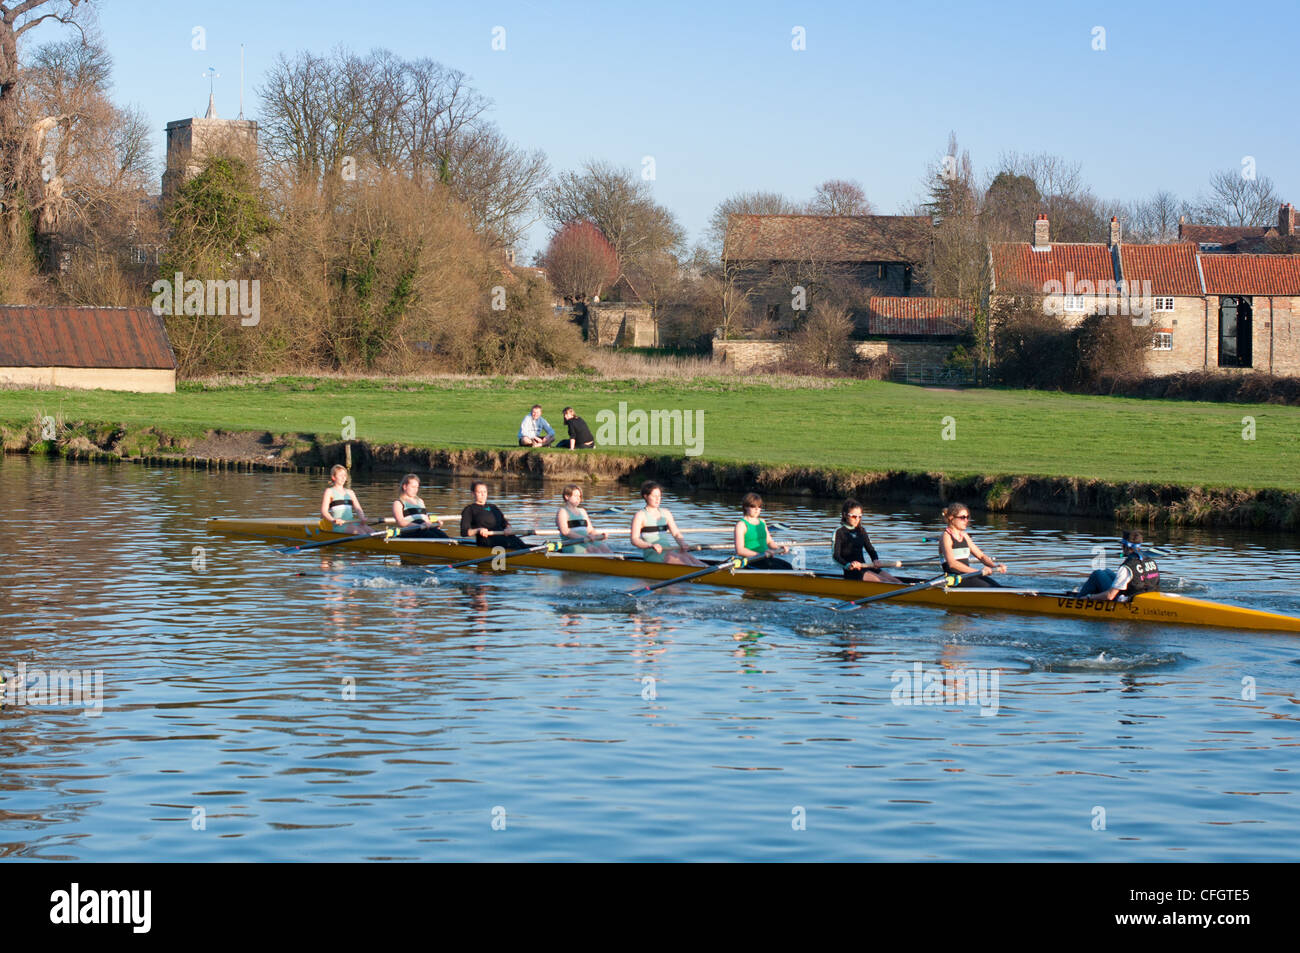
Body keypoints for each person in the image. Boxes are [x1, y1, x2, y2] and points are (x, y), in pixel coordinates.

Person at [630, 481, 706, 566]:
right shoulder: (640, 515)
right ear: (646, 496)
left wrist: (682, 543)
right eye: (654, 496)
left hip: (668, 550)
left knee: (688, 557)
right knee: (687, 562)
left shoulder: (666, 513)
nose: (657, 499)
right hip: (654, 553)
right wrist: (650, 545)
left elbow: (676, 533)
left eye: (659, 496)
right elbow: (634, 539)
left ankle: (710, 570)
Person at [833, 499, 903, 583]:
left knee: (897, 582)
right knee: (884, 581)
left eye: (859, 516)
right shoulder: (839, 532)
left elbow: (870, 549)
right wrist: (848, 565)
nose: (857, 519)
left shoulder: (862, 531)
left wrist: (875, 560)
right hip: (852, 571)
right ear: (845, 515)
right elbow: (836, 556)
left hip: (864, 566)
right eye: (853, 516)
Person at [1076, 532, 1160, 601]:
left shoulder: (1127, 567)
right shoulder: (1150, 560)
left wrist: (1089, 598)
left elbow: (1110, 596)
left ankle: (1079, 599)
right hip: (1147, 593)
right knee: (1105, 571)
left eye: (1122, 546)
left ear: (1125, 547)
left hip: (1127, 598)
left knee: (1097, 574)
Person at [938, 502, 1006, 587]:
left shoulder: (965, 536)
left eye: (967, 517)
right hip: (954, 579)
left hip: (968, 576)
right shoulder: (946, 537)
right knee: (990, 587)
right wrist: (978, 572)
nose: (966, 520)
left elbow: (981, 556)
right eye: (962, 518)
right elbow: (952, 564)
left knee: (997, 587)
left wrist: (994, 566)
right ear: (952, 518)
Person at [459, 482, 529, 550]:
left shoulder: (493, 507)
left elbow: (505, 523)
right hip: (488, 541)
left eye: (485, 492)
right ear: (473, 494)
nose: (483, 494)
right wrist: (478, 530)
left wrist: (508, 528)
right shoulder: (469, 509)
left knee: (525, 548)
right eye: (479, 492)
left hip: (505, 537)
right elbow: (464, 532)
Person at [733, 492, 792, 570]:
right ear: (745, 507)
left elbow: (769, 541)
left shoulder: (762, 522)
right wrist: (760, 554)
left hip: (765, 558)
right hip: (751, 560)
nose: (757, 509)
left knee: (788, 566)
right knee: (781, 569)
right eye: (753, 506)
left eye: (759, 506)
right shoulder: (741, 525)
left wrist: (779, 548)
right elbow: (740, 550)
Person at [556, 484, 612, 554]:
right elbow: (565, 531)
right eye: (575, 496)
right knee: (594, 550)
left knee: (606, 549)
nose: (578, 498)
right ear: (567, 497)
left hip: (586, 540)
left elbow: (590, 530)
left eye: (579, 496)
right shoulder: (562, 511)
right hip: (571, 544)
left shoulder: (582, 511)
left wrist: (599, 535)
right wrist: (583, 538)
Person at [388, 473, 448, 539]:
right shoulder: (398, 503)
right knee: (432, 535)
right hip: (411, 530)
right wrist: (419, 525)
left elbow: (426, 519)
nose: (416, 490)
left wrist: (435, 524)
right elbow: (401, 522)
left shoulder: (420, 501)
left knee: (444, 536)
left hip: (423, 528)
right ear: (405, 487)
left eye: (417, 487)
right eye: (413, 487)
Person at [320, 464, 367, 531]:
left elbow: (358, 509)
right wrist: (333, 520)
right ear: (333, 477)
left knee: (370, 531)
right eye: (340, 475)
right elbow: (324, 511)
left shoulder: (350, 492)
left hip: (352, 523)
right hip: (339, 525)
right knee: (360, 532)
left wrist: (362, 518)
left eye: (344, 475)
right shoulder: (329, 491)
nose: (343, 478)